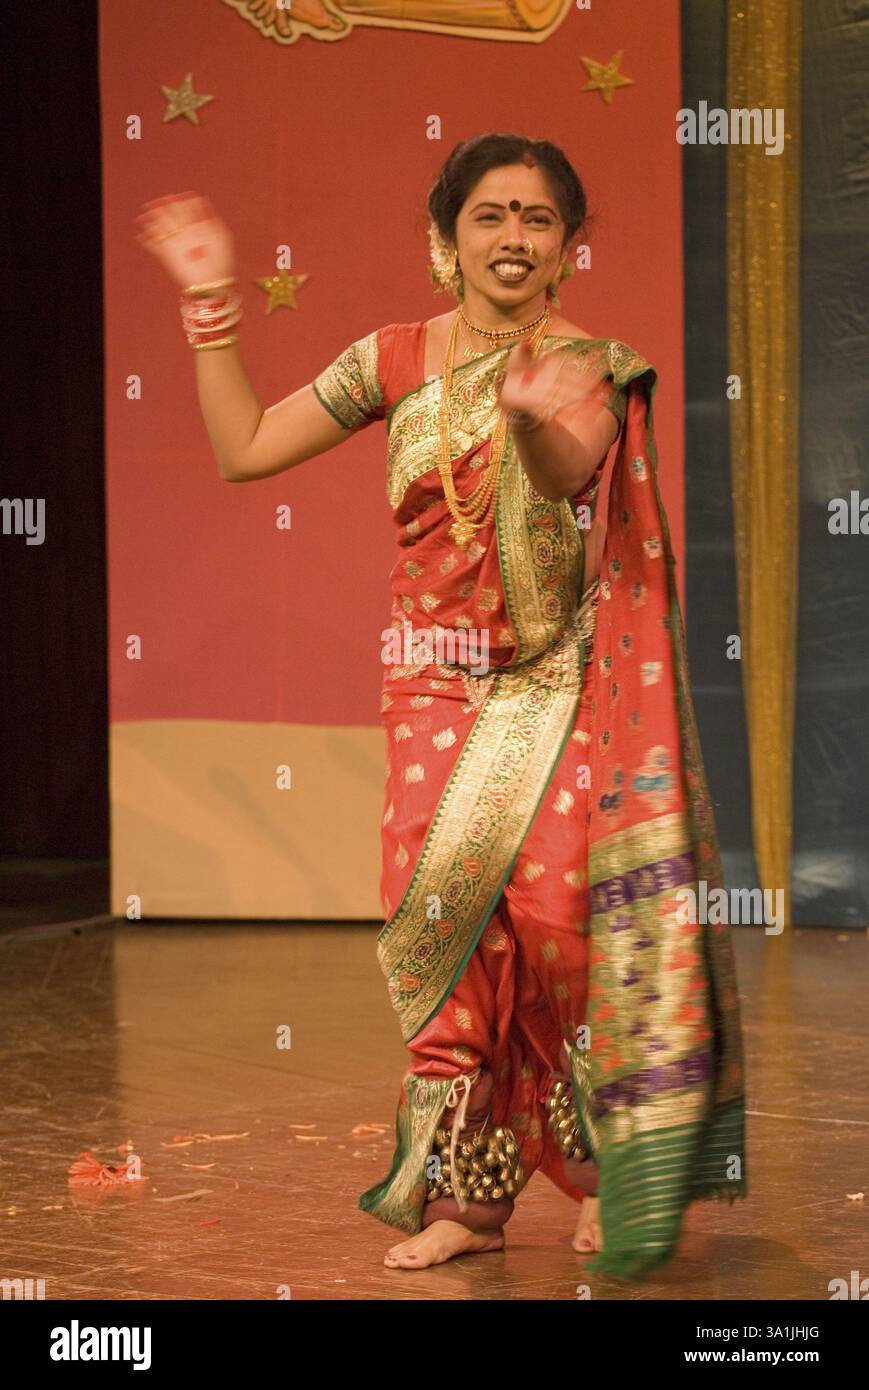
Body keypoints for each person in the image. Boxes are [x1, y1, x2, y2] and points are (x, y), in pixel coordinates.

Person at [136, 131, 746, 1279]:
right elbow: (244, 448)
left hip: (555, 685)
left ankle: (610, 1168)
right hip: (430, 682)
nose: (511, 237)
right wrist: (211, 308)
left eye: (535, 218)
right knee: (446, 938)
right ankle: (467, 1202)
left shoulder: (589, 365)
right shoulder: (395, 357)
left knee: (563, 929)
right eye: (488, 215)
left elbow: (568, 467)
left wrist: (524, 412)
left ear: (571, 247)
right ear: (445, 237)